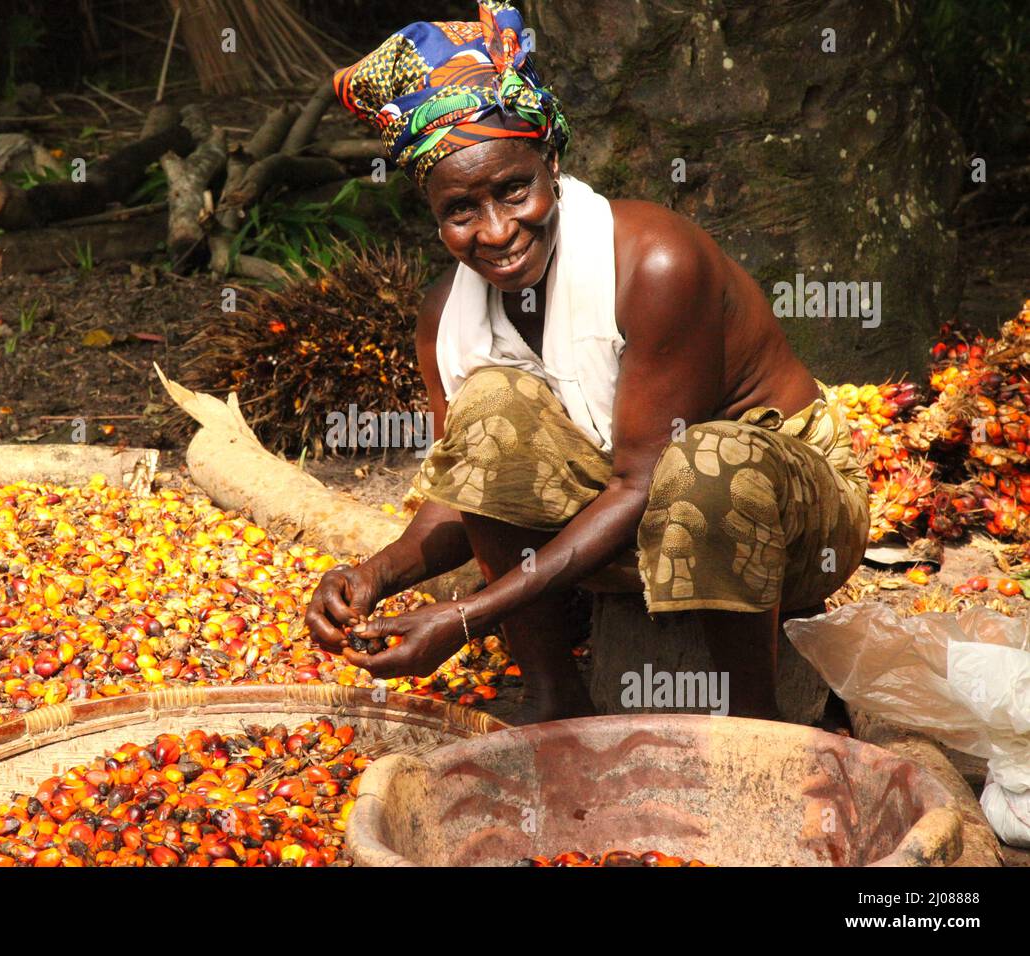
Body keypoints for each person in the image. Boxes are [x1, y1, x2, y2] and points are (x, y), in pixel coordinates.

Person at [306, 0, 870, 724]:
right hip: (630, 524)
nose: (498, 230)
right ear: (432, 213)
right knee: (489, 408)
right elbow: (468, 486)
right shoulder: (446, 317)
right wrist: (373, 575)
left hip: (782, 519)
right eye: (461, 211)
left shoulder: (655, 263)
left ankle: (755, 727)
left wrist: (468, 618)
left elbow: (646, 479)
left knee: (709, 463)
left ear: (553, 163)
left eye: (515, 190)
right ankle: (553, 695)